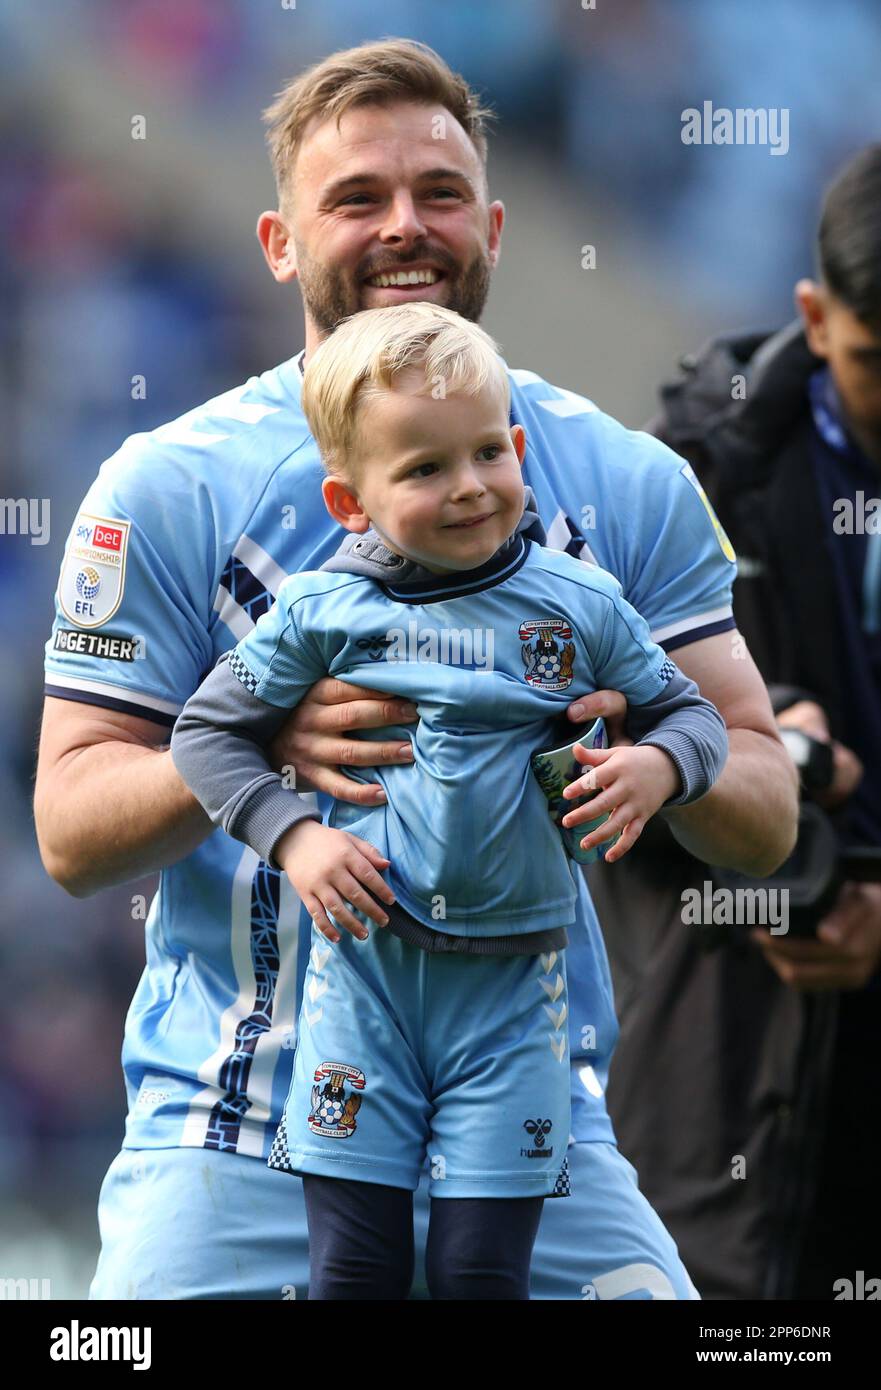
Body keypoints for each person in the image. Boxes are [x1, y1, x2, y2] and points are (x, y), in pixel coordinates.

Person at [33, 38, 797, 1300]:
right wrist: (264, 745)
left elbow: (761, 811)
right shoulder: (165, 486)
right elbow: (70, 832)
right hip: (240, 1137)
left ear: (491, 226)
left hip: (531, 1123)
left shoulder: (623, 479)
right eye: (357, 199)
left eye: (439, 194)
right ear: (279, 241)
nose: (406, 228)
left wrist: (657, 767)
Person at [170, 302, 728, 1299]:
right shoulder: (318, 610)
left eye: (485, 453)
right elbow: (204, 735)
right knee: (356, 1267)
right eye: (424, 469)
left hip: (514, 1001)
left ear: (516, 445)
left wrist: (655, 767)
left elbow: (693, 717)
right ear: (351, 502)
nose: (468, 487)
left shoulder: (580, 605)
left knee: (480, 1270)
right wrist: (295, 839)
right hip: (360, 990)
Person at [594, 143, 881, 1299]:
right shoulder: (674, 486)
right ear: (813, 318)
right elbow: (585, 770)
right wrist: (756, 782)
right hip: (710, 1113)